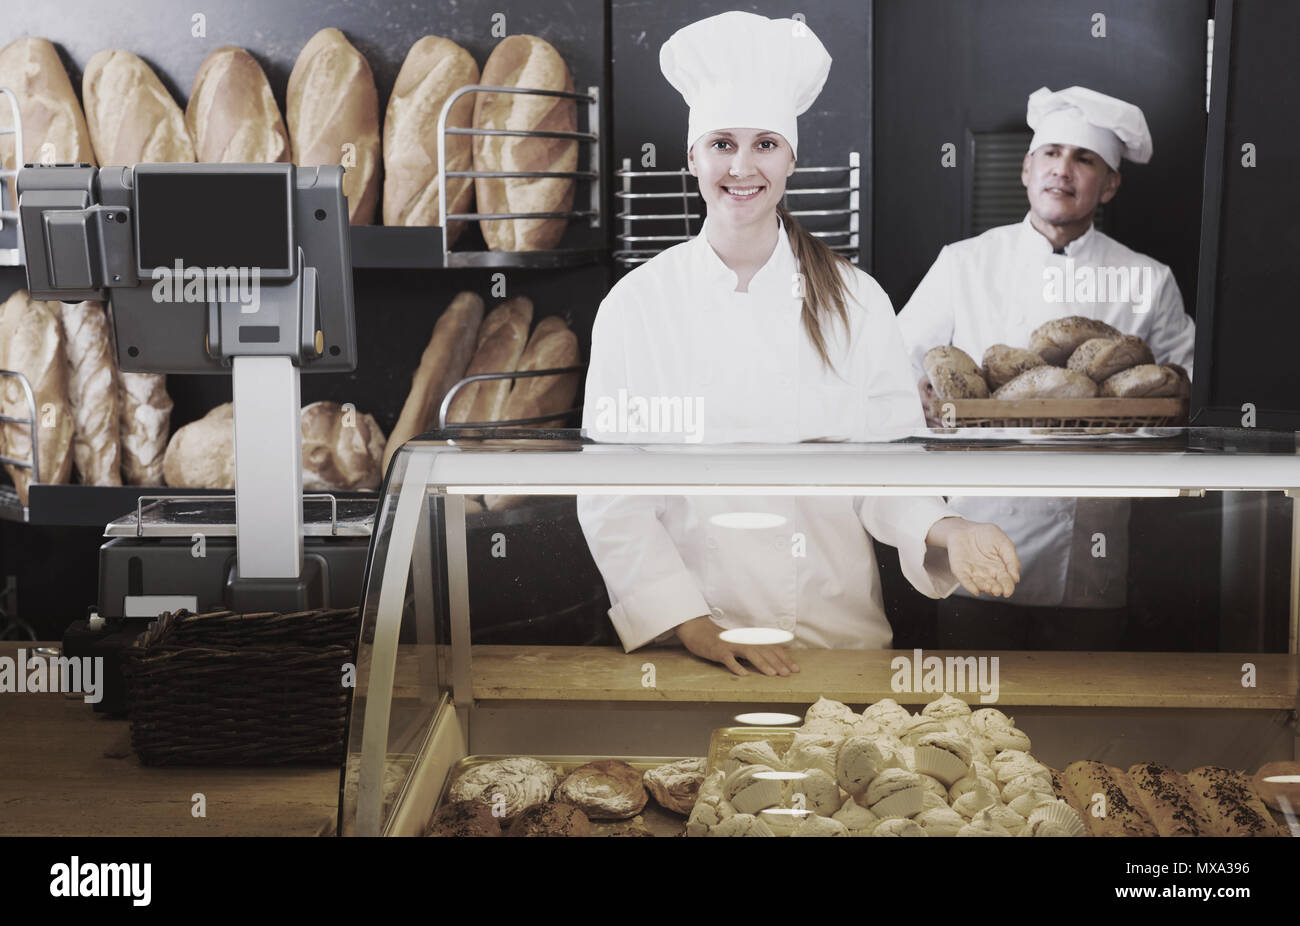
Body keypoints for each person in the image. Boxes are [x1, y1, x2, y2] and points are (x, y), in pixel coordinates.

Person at [575, 10, 1022, 677]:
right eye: (722, 143)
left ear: (791, 158)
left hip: (838, 646)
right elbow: (613, 495)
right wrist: (693, 626)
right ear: (693, 156)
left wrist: (948, 530)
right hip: (696, 655)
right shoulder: (637, 307)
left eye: (764, 145)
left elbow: (887, 474)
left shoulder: (857, 301)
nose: (742, 166)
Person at [896, 86, 1196, 649]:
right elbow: (893, 367)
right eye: (1052, 153)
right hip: (977, 540)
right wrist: (921, 398)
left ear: (1109, 184)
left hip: (1089, 550)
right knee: (964, 722)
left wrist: (1139, 418)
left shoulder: (1147, 278)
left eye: (1085, 159)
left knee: (1084, 717)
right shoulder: (965, 263)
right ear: (1027, 167)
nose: (1064, 169)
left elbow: (1184, 392)